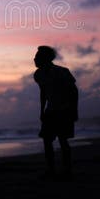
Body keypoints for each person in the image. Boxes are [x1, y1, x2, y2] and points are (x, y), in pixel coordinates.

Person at [33, 45, 79, 180]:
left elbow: (74, 91)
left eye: (37, 57)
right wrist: (42, 111)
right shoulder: (38, 74)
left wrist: (74, 110)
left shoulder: (63, 72)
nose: (34, 59)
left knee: (63, 140)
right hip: (50, 111)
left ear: (45, 59)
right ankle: (51, 170)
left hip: (65, 110)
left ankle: (67, 170)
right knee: (47, 140)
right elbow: (43, 93)